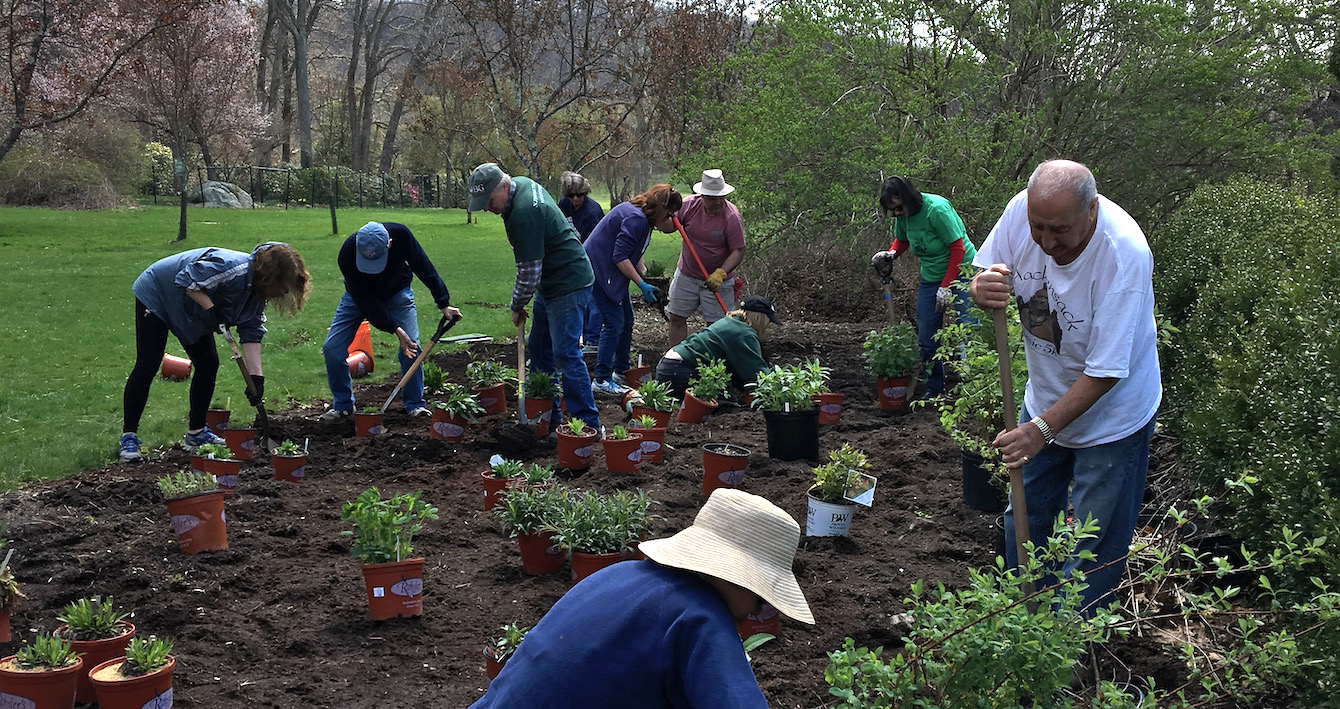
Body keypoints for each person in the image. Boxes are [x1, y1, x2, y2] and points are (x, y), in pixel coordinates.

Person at [970, 159, 1161, 613]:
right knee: (1025, 519)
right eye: (1039, 228)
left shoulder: (1123, 255)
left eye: (1060, 230)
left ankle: (1069, 652)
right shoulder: (1026, 212)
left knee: (1093, 547)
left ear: (1091, 211)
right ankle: (1020, 624)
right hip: (1044, 401)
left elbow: (1106, 371)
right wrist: (981, 289)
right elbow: (986, 274)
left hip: (1113, 420)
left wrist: (1041, 430)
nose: (1046, 242)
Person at [470, 488, 814, 708]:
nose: (758, 610)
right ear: (738, 580)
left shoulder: (617, 574)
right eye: (762, 598)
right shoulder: (700, 618)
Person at [119, 243, 311, 462]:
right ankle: (129, 437)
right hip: (158, 294)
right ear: (270, 276)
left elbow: (251, 332)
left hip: (191, 310)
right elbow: (187, 280)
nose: (284, 292)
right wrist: (213, 310)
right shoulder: (231, 267)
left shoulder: (257, 293)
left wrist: (256, 378)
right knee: (148, 364)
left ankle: (196, 433)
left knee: (208, 364)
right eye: (283, 285)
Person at [469, 162, 600, 430]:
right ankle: (547, 419)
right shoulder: (522, 184)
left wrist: (516, 306)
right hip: (551, 282)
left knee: (565, 354)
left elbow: (528, 272)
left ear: (503, 187)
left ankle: (587, 425)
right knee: (540, 349)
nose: (486, 207)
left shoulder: (524, 212)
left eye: (488, 200)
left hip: (567, 282)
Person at [319, 221, 461, 420]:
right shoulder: (346, 254)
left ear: (390, 243)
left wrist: (443, 302)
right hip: (358, 297)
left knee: (411, 346)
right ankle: (343, 405)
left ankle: (415, 405)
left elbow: (423, 266)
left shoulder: (401, 235)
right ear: (358, 242)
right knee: (332, 348)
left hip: (397, 293)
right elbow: (366, 301)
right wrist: (395, 329)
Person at [870, 176, 977, 398]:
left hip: (964, 271)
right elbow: (903, 240)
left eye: (898, 208)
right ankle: (935, 387)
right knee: (927, 337)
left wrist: (947, 286)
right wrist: (891, 253)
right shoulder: (904, 216)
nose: (897, 213)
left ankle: (974, 387)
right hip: (931, 277)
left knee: (969, 330)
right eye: (893, 210)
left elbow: (957, 248)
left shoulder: (937, 210)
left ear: (908, 199)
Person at [585, 183, 682, 397]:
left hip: (608, 271)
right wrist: (641, 284)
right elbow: (619, 256)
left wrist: (643, 272)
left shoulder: (643, 218)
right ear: (662, 208)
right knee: (614, 322)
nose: (671, 219)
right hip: (597, 271)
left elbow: (633, 250)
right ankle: (601, 380)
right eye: (670, 214)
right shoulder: (636, 218)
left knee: (626, 320)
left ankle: (621, 371)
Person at [666, 169, 745, 348]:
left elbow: (738, 250)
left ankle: (715, 368)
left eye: (720, 197)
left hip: (718, 279)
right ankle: (674, 362)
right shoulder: (688, 206)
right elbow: (670, 226)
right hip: (687, 273)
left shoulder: (731, 217)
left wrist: (721, 273)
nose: (717, 202)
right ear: (702, 195)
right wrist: (662, 214)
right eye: (711, 197)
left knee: (718, 326)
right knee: (676, 317)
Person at [653, 295, 781, 400]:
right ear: (760, 318)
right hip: (681, 371)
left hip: (667, 367)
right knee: (725, 402)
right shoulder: (744, 333)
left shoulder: (729, 322)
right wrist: (779, 386)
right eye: (768, 321)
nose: (768, 325)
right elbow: (756, 372)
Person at [557, 171, 606, 352]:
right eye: (571, 195)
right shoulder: (564, 205)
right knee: (581, 301)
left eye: (580, 195)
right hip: (574, 257)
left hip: (595, 257)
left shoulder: (591, 213)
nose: (576, 199)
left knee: (593, 301)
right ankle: (582, 338)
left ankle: (592, 341)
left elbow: (590, 245)